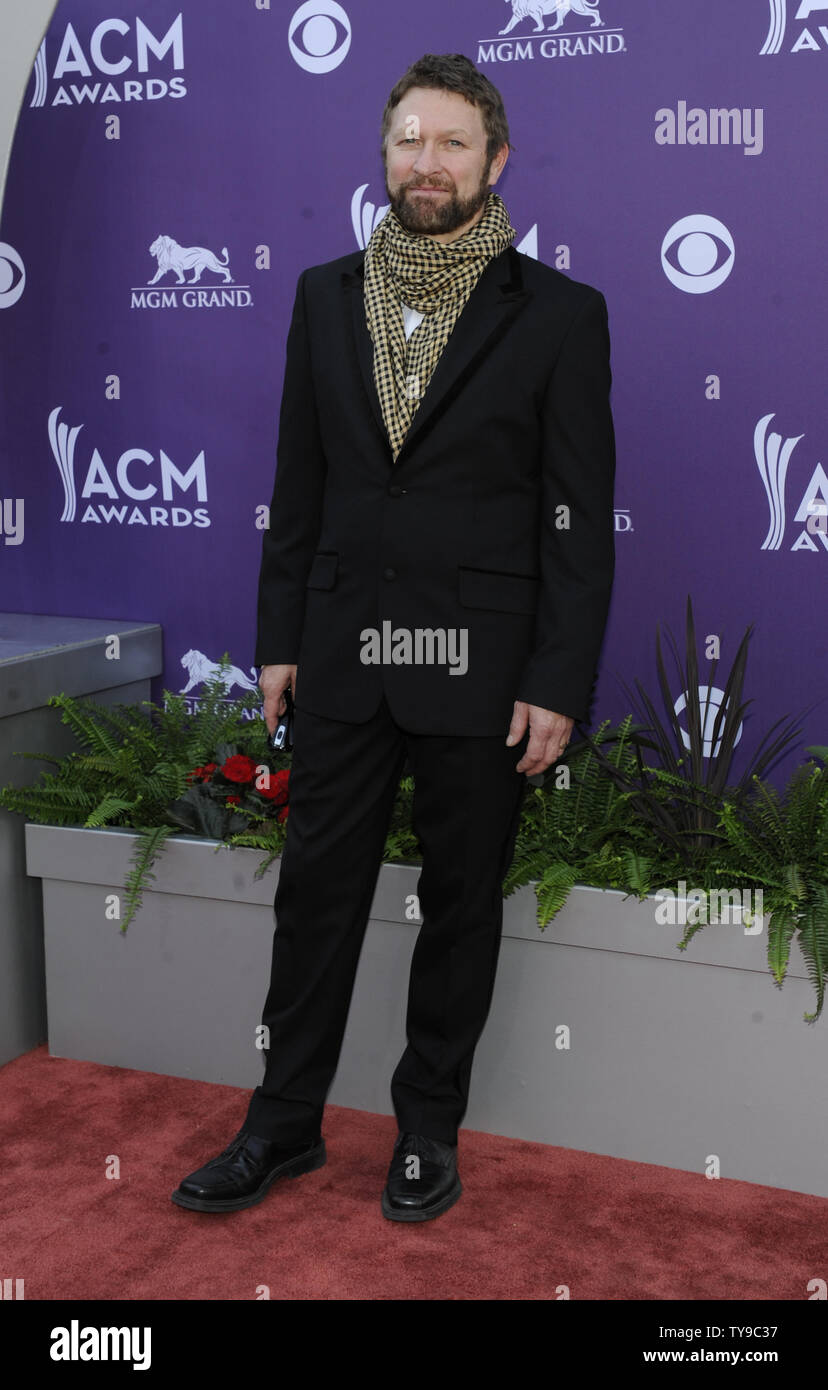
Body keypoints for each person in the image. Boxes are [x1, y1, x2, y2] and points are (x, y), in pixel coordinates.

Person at [172, 52, 615, 1223]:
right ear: (384, 156)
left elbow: (576, 520)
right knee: (314, 897)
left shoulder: (563, 316)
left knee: (461, 903)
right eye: (410, 140)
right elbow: (297, 484)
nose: (429, 162)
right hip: (345, 653)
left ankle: (426, 1129)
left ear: (496, 161)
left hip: (482, 666)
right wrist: (280, 640)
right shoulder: (323, 296)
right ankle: (282, 1125)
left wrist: (556, 677)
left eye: (454, 143)